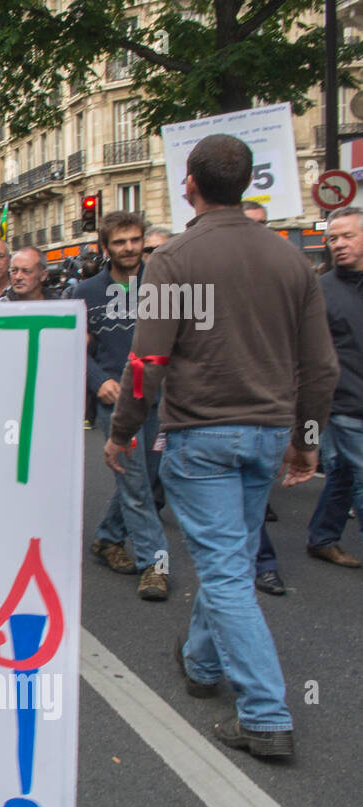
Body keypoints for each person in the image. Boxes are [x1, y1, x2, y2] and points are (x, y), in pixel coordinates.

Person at [106, 134, 338, 759]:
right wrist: (307, 441)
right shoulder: (292, 261)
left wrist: (123, 430)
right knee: (228, 555)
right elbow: (320, 368)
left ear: (190, 183)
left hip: (200, 435)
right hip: (266, 433)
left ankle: (264, 714)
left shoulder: (175, 261)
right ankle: (203, 666)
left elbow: (147, 360)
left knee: (226, 573)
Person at [78, 211, 169, 601]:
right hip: (116, 402)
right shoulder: (84, 292)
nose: (129, 248)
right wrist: (100, 382)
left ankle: (108, 538)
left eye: (134, 240)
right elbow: (74, 347)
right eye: (120, 242)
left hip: (160, 399)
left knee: (145, 479)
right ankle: (156, 565)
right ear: (106, 248)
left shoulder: (164, 283)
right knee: (134, 484)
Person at [305, 206, 363, 568]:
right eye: (333, 238)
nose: (339, 244)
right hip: (346, 405)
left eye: (348, 236)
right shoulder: (321, 290)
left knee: (341, 473)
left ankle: (322, 537)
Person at [242, 199, 288, 594]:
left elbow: (315, 364)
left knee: (224, 551)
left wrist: (306, 438)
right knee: (223, 547)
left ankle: (203, 653)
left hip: (267, 422)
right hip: (207, 428)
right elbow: (154, 354)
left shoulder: (288, 276)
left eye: (263, 224)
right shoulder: (189, 272)